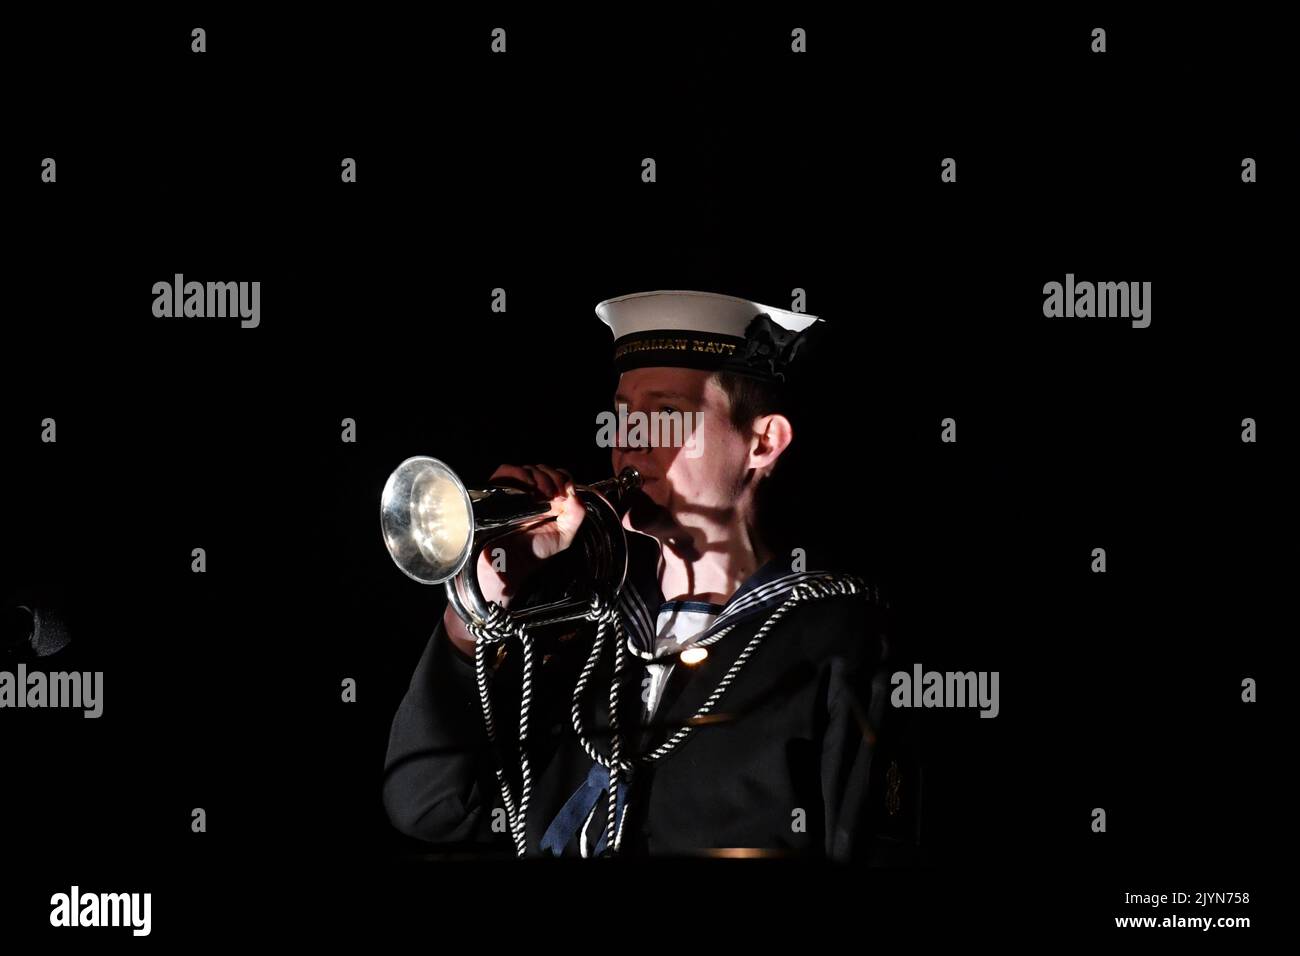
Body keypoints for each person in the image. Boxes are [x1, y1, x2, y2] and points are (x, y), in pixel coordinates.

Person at [382, 290, 921, 860]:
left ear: (762, 443)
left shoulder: (844, 642)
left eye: (664, 417)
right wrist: (483, 598)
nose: (627, 442)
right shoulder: (582, 625)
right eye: (623, 415)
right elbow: (428, 805)